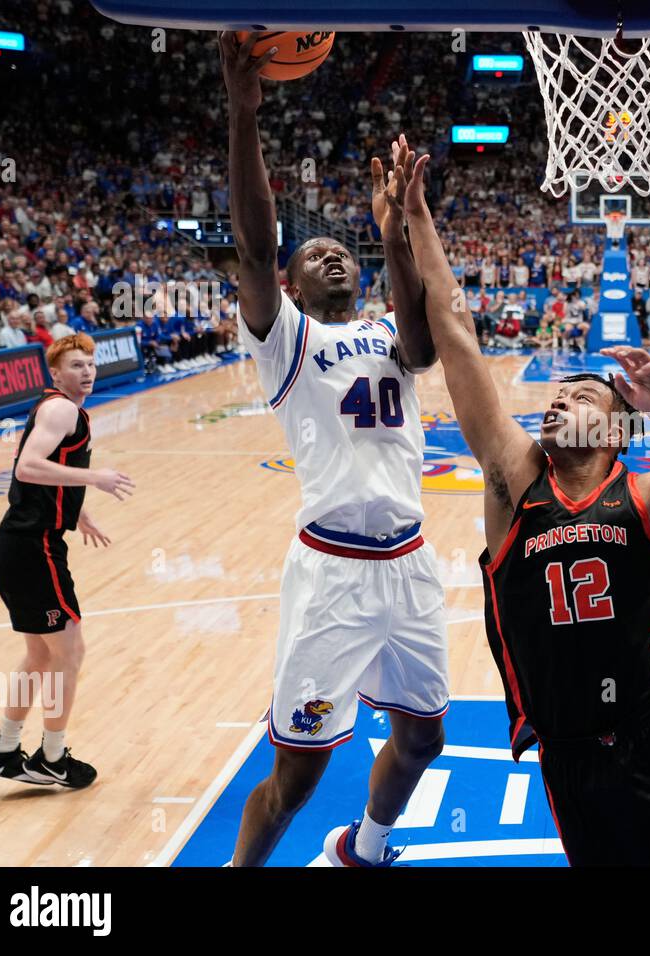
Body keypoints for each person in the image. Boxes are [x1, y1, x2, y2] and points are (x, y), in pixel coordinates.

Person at [398, 141, 650, 865]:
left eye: (580, 396)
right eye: (555, 393)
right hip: (572, 752)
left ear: (612, 428)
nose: (558, 400)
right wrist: (418, 219)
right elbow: (457, 336)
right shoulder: (515, 479)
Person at [220, 34, 448, 868]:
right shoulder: (285, 343)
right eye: (312, 255)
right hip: (332, 574)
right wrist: (246, 113)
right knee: (299, 774)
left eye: (340, 248)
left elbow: (424, 346)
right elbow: (252, 244)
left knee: (425, 737)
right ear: (291, 286)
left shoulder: (390, 331)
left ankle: (366, 846)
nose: (330, 253)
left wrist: (393, 229)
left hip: (411, 560)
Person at [0, 334, 134, 789]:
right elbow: (27, 467)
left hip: (18, 543)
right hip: (34, 547)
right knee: (70, 651)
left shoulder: (57, 408)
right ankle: (52, 757)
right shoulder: (61, 409)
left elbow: (44, 471)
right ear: (56, 374)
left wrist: (77, 510)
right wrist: (95, 479)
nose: (86, 372)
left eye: (90, 364)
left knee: (39, 654)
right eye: (75, 366)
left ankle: (6, 750)